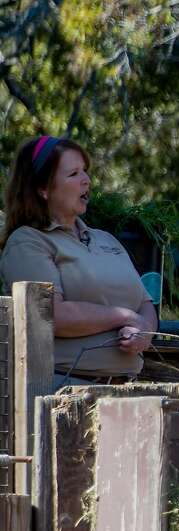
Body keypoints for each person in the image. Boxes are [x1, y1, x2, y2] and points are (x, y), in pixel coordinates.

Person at [0, 136, 157, 387]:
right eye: (73, 173)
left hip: (127, 388)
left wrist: (145, 330)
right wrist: (124, 317)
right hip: (61, 391)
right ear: (43, 188)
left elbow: (145, 302)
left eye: (85, 171)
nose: (86, 180)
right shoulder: (27, 242)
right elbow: (51, 315)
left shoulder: (107, 240)